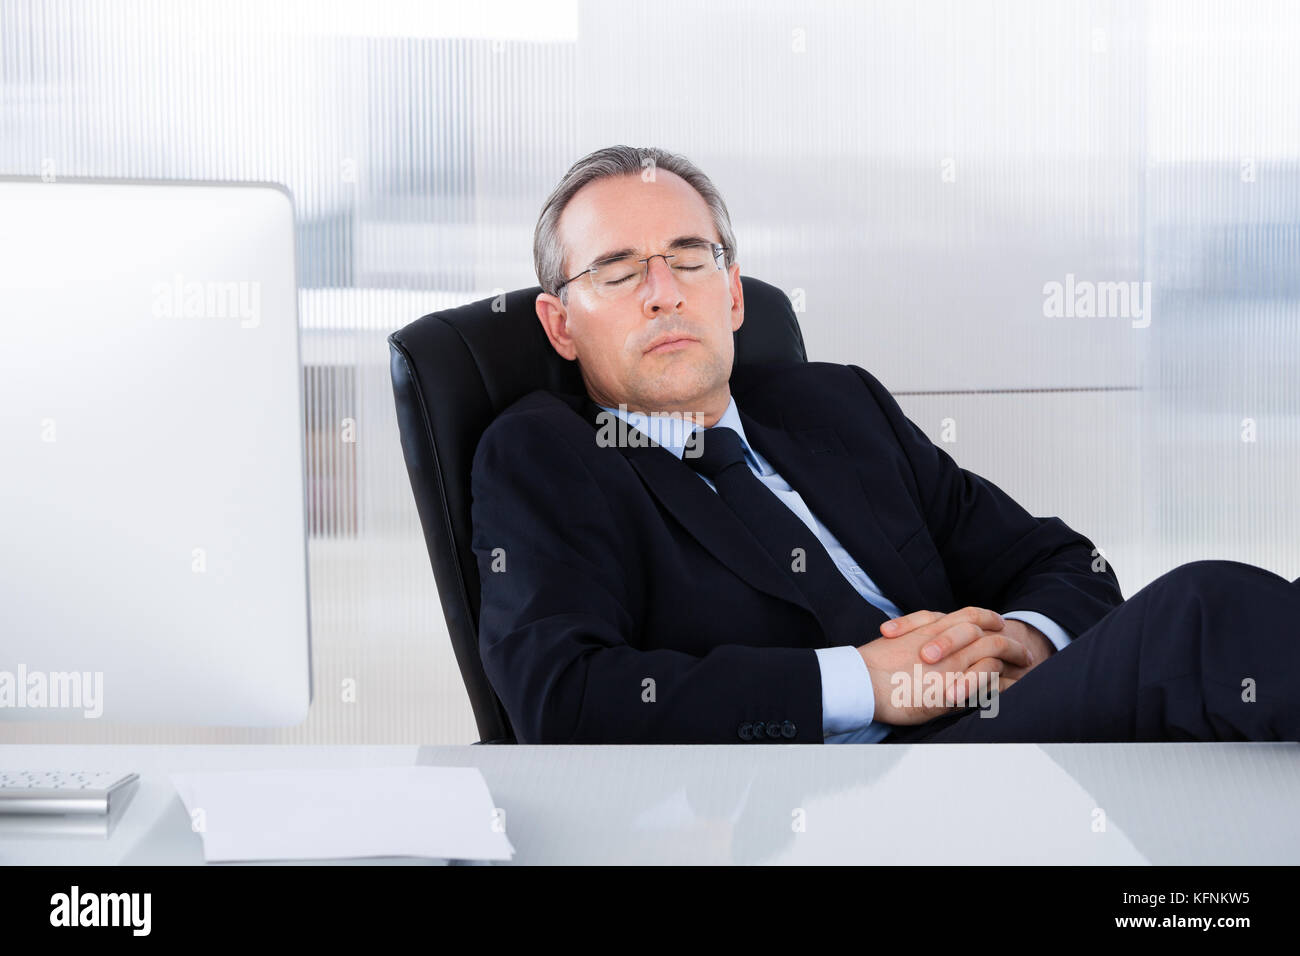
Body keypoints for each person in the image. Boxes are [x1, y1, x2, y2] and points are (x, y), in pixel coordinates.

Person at [470, 145, 1300, 744]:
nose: (662, 293)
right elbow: (564, 695)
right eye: (617, 272)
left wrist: (1022, 638)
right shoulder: (545, 454)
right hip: (826, 804)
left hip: (1000, 735)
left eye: (690, 258)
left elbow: (1064, 562)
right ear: (560, 324)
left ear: (732, 296)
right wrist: (863, 684)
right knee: (1205, 616)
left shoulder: (835, 405)